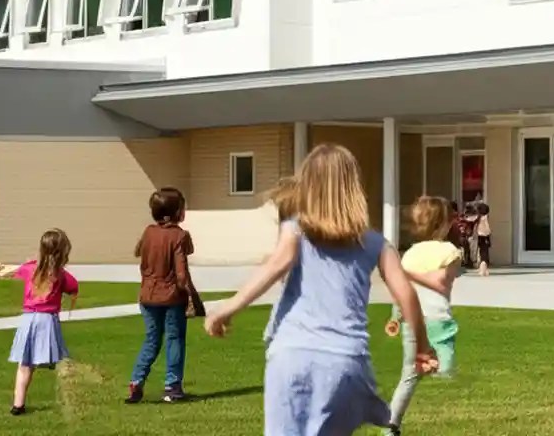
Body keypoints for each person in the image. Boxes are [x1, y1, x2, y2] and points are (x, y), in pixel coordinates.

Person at [204, 144, 437, 436]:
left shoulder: (295, 230)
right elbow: (407, 295)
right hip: (346, 363)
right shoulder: (376, 243)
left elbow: (275, 265)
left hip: (290, 357)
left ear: (307, 186)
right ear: (354, 187)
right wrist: (423, 346)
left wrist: (227, 308)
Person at [384, 196, 463, 436]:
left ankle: (391, 426)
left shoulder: (409, 256)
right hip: (438, 322)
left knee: (409, 376)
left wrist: (396, 314)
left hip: (413, 323)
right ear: (444, 224)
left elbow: (402, 289)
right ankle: (391, 427)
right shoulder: (450, 251)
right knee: (445, 369)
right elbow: (441, 283)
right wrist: (396, 316)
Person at [126, 187, 197, 404]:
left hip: (147, 297)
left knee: (152, 340)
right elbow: (181, 273)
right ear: (177, 212)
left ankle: (136, 381)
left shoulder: (149, 232)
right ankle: (172, 386)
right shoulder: (179, 236)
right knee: (175, 339)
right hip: (172, 298)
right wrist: (191, 296)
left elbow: (139, 251)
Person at [7, 228, 78, 416]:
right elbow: (74, 287)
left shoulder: (30, 268)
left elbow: (16, 272)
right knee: (46, 359)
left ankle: (18, 404)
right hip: (47, 320)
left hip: (28, 319)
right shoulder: (61, 274)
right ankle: (61, 389)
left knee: (25, 364)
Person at [474, 202, 492, 277]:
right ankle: (483, 269)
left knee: (482, 253)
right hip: (485, 236)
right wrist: (489, 232)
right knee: (484, 253)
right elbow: (488, 227)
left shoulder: (479, 218)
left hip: (480, 236)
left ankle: (483, 269)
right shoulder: (485, 218)